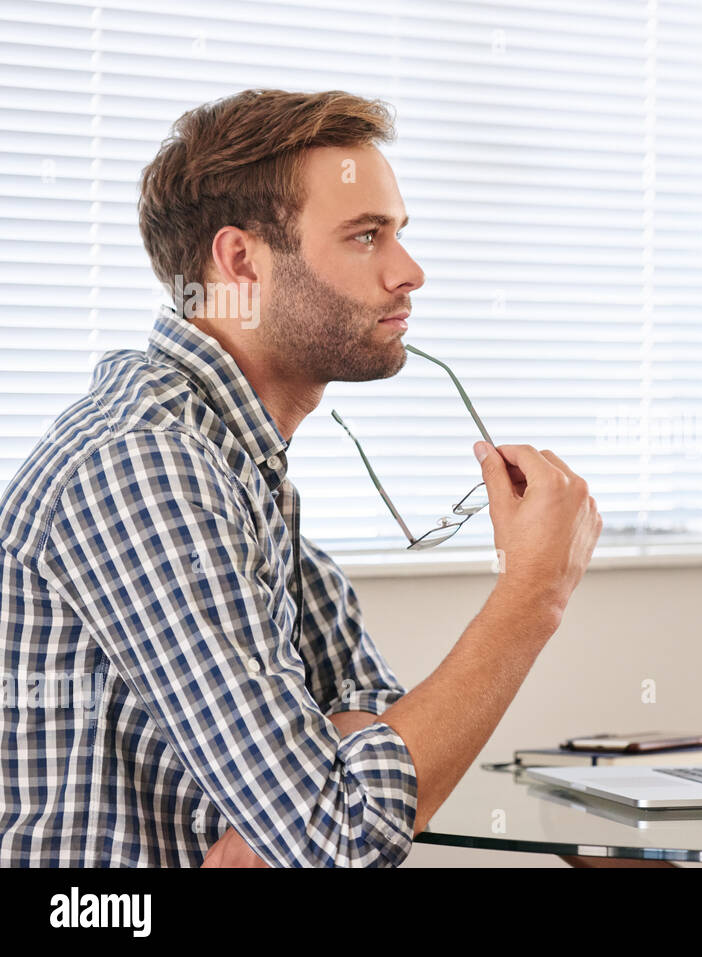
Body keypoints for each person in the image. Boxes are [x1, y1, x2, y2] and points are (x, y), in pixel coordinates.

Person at [0, 89, 601, 867]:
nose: (409, 271)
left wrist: (309, 801)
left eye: (399, 234)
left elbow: (377, 736)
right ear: (241, 261)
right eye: (365, 237)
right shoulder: (143, 465)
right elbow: (342, 835)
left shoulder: (237, 463)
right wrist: (535, 593)